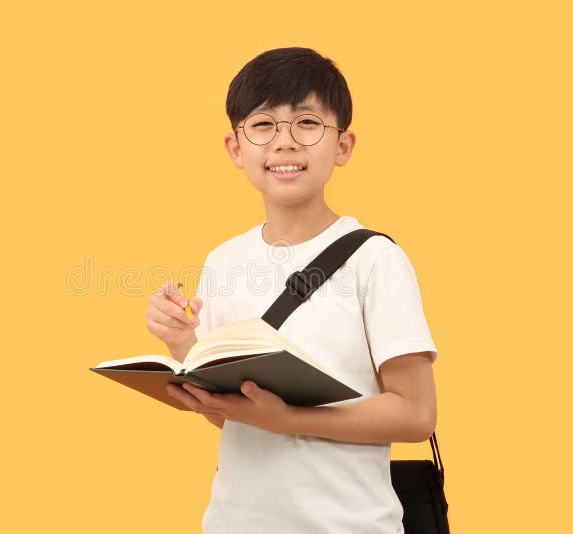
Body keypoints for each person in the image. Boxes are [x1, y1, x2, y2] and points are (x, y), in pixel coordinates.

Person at [145, 47, 438, 534]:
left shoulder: (376, 261)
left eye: (307, 123)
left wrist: (292, 420)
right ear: (236, 148)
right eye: (263, 126)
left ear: (342, 146)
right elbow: (235, 417)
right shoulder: (223, 261)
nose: (284, 143)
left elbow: (415, 414)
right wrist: (180, 343)